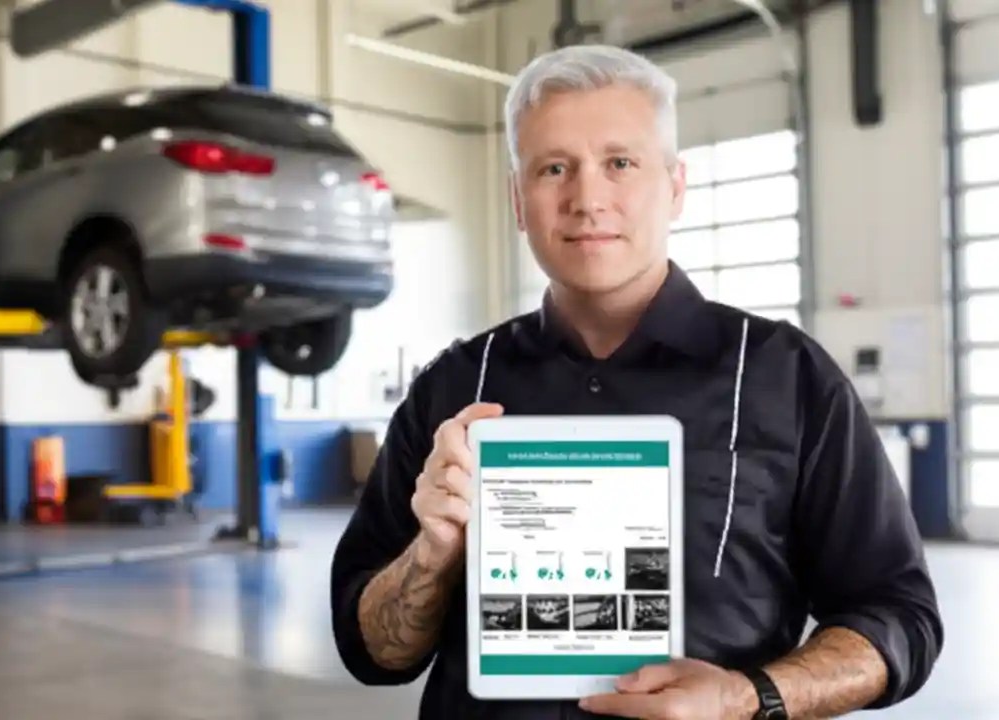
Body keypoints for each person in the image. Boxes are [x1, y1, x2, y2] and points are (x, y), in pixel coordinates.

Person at [329, 44, 943, 720]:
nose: (587, 199)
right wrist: (432, 552)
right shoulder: (453, 388)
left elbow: (899, 616)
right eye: (554, 167)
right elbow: (372, 653)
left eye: (620, 163)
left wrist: (750, 695)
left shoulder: (785, 377)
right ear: (517, 199)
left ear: (675, 187)